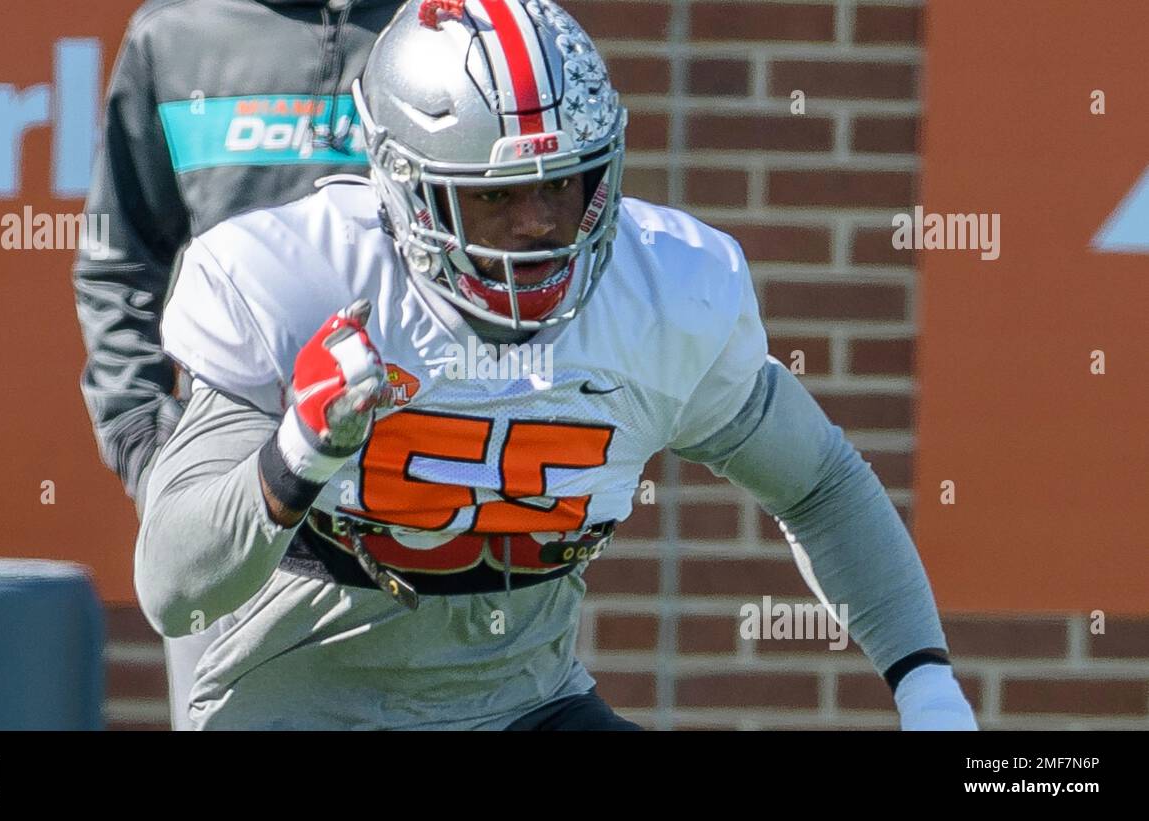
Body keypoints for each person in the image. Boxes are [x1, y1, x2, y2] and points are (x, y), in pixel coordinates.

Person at [134, 0, 978, 730]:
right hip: (299, 708)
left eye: (563, 183)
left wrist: (928, 685)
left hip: (521, 707)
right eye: (496, 194)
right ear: (402, 185)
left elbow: (820, 482)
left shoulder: (658, 292)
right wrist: (296, 456)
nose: (540, 225)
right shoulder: (296, 283)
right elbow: (174, 587)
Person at [72, 0, 402, 729]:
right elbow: (118, 260)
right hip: (236, 494)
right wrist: (149, 452)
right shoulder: (177, 31)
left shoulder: (455, 23)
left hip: (427, 501)